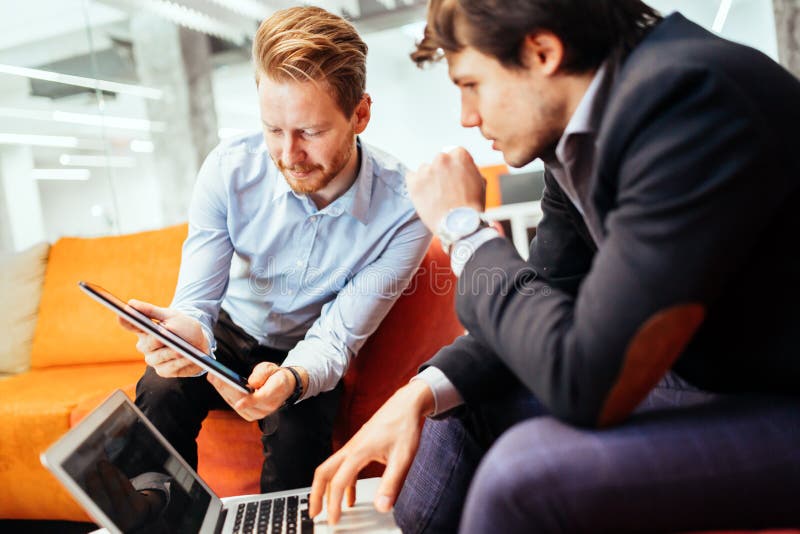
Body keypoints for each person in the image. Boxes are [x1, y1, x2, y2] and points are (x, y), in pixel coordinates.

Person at [309, 0, 800, 531]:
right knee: (455, 407)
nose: (466, 117)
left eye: (471, 84)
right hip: (709, 373)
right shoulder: (585, 130)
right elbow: (550, 284)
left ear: (542, 52)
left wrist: (463, 229)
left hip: (776, 394)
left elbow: (588, 384)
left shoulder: (693, 100)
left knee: (523, 476)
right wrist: (420, 393)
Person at [123, 5, 430, 493]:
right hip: (225, 333)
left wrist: (291, 378)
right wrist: (188, 334)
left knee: (297, 447)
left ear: (360, 115)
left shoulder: (406, 210)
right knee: (159, 390)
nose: (288, 156)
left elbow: (336, 338)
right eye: (273, 130)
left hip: (302, 351)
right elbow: (196, 304)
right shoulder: (228, 170)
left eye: (310, 132)